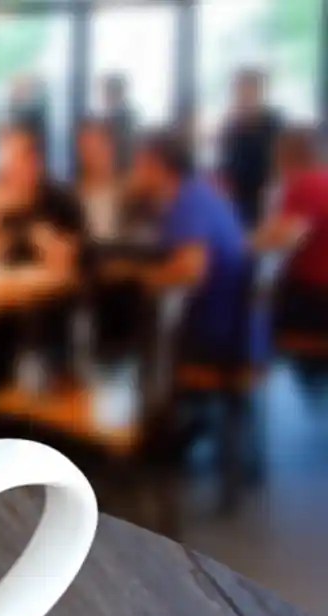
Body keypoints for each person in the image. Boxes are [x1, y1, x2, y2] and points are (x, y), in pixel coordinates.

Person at [120, 131, 263, 511]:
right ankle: (168, 429)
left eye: (140, 164)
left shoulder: (187, 203)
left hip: (216, 336)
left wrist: (143, 279)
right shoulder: (203, 193)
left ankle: (154, 440)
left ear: (156, 166)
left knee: (138, 332)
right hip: (242, 329)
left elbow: (190, 269)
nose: (136, 171)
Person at [256, 127, 328, 335]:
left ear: (285, 154)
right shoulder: (322, 180)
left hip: (315, 296)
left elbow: (285, 238)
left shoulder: (305, 184)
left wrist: (240, 243)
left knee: (254, 302)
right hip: (316, 292)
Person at [0, 125, 86, 274]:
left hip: (53, 294)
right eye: (6, 161)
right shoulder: (1, 203)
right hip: (9, 291)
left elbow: (69, 264)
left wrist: (45, 241)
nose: (9, 169)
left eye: (17, 160)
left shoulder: (62, 201)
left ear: (35, 162)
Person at [219, 68, 283, 229]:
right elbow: (226, 161)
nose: (243, 95)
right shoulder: (232, 123)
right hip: (236, 196)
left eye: (248, 89)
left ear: (260, 92)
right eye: (239, 89)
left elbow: (279, 161)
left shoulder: (273, 122)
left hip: (265, 194)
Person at [75, 118, 125, 243]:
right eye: (86, 148)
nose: (92, 155)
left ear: (111, 148)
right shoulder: (70, 198)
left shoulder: (131, 192)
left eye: (98, 146)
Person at [100, 75, 137, 173]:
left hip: (120, 168)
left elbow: (121, 146)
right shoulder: (119, 114)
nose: (104, 95)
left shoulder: (122, 116)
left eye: (107, 91)